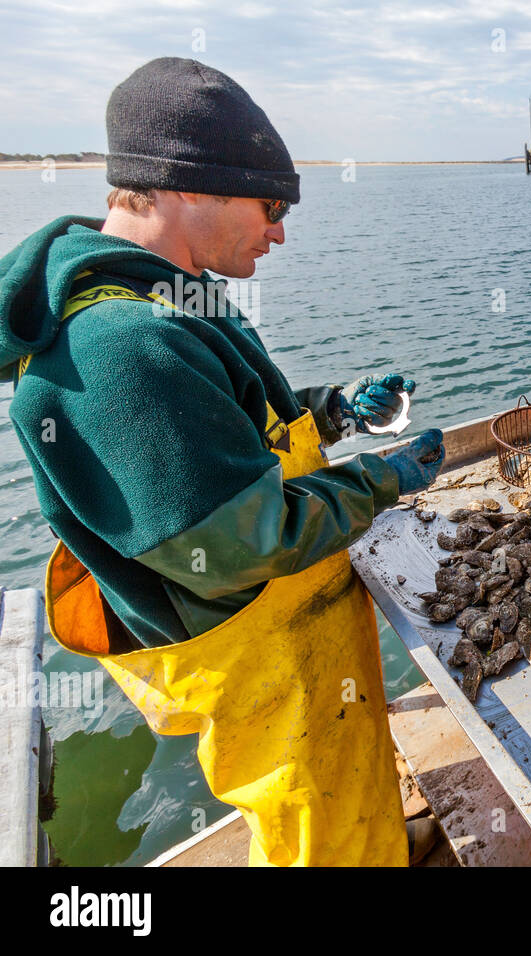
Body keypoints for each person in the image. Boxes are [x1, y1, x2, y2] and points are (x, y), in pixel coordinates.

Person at [0, 57, 446, 865]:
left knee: (343, 781)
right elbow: (245, 540)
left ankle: (379, 840)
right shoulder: (117, 348)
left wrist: (337, 408)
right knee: (308, 809)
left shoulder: (168, 290)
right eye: (269, 205)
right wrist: (391, 477)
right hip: (256, 649)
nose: (280, 230)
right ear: (183, 186)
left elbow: (231, 431)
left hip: (292, 628)